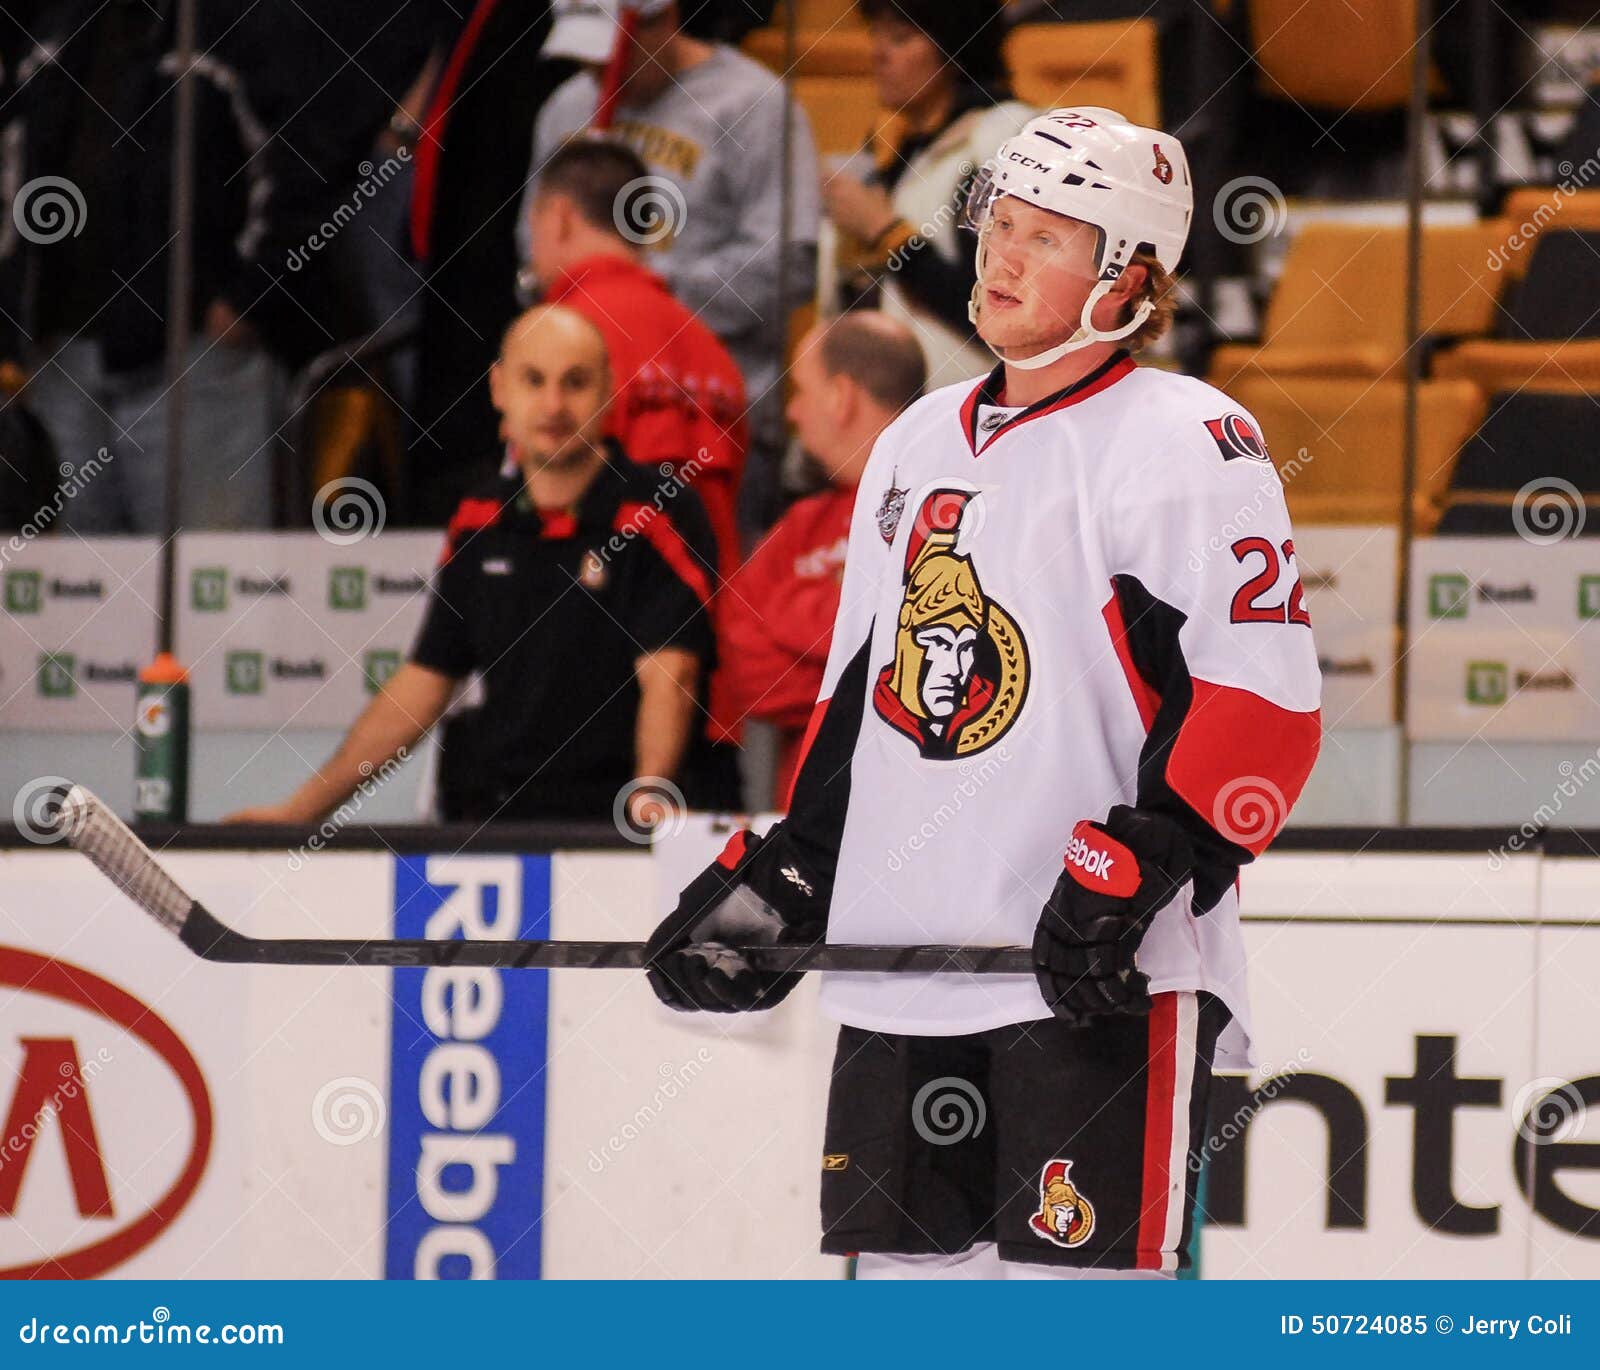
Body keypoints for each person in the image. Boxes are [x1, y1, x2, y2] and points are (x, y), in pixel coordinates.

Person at [645, 108, 1323, 1278]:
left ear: (1128, 276)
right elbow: (867, 695)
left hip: (1093, 976)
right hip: (899, 971)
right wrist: (796, 870)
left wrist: (1150, 858)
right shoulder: (914, 441)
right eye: (998, 225)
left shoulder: (1185, 436)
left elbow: (1263, 702)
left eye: (1044, 237)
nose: (1001, 257)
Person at [225, 304, 718, 827]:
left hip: (618, 828)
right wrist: (299, 814)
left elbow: (672, 676)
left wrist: (647, 807)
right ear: (499, 389)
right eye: (534, 381)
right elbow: (424, 684)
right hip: (502, 823)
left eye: (575, 383)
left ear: (609, 391)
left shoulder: (657, 509)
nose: (554, 404)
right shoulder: (478, 518)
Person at [518, 0, 820, 532]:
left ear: (662, 20)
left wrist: (646, 297)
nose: (597, 75)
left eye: (609, 57)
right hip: (579, 416)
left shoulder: (753, 104)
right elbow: (531, 241)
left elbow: (788, 264)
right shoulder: (567, 108)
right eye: (586, 59)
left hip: (713, 418)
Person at [720, 312, 925, 806]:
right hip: (810, 822)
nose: (792, 412)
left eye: (802, 391)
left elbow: (930, 673)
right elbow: (747, 675)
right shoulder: (801, 525)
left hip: (915, 813)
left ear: (840, 396)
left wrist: (791, 610)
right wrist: (866, 647)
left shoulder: (946, 512)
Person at [525, 136, 747, 584]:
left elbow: (540, 497)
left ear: (560, 218)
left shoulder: (562, 336)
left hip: (594, 604)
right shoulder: (711, 350)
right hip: (707, 613)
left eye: (534, 227)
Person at [822, 0, 1032, 390]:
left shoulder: (1005, 138)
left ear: (955, 46)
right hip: (893, 403)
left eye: (900, 38)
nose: (878, 53)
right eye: (875, 34)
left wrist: (885, 231)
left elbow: (1003, 308)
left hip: (977, 404)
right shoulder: (899, 151)